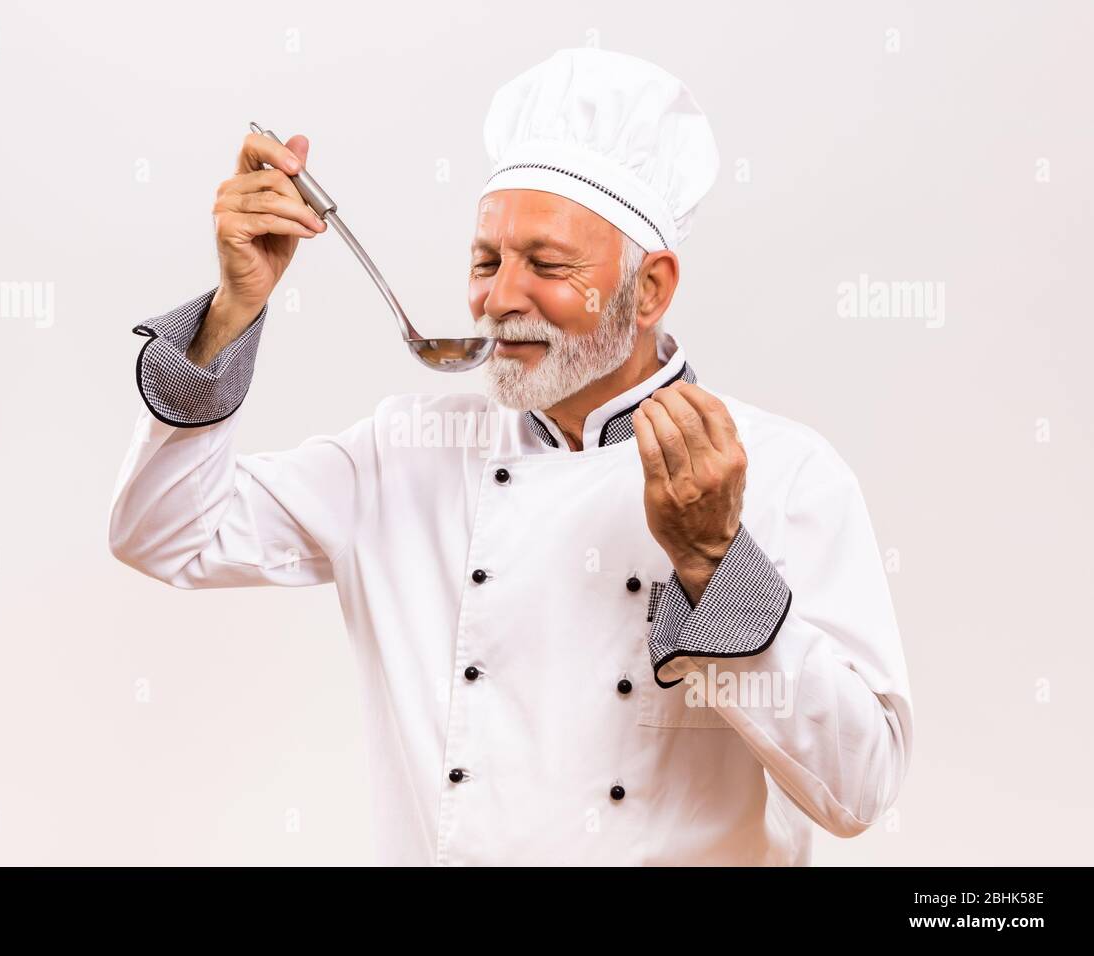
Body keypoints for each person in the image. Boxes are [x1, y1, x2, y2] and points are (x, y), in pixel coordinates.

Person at [109, 48, 913, 866]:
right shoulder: (405, 455)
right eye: (486, 262)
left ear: (652, 288)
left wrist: (715, 561)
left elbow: (860, 788)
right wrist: (231, 311)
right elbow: (166, 533)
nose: (499, 298)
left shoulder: (781, 472)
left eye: (548, 264)